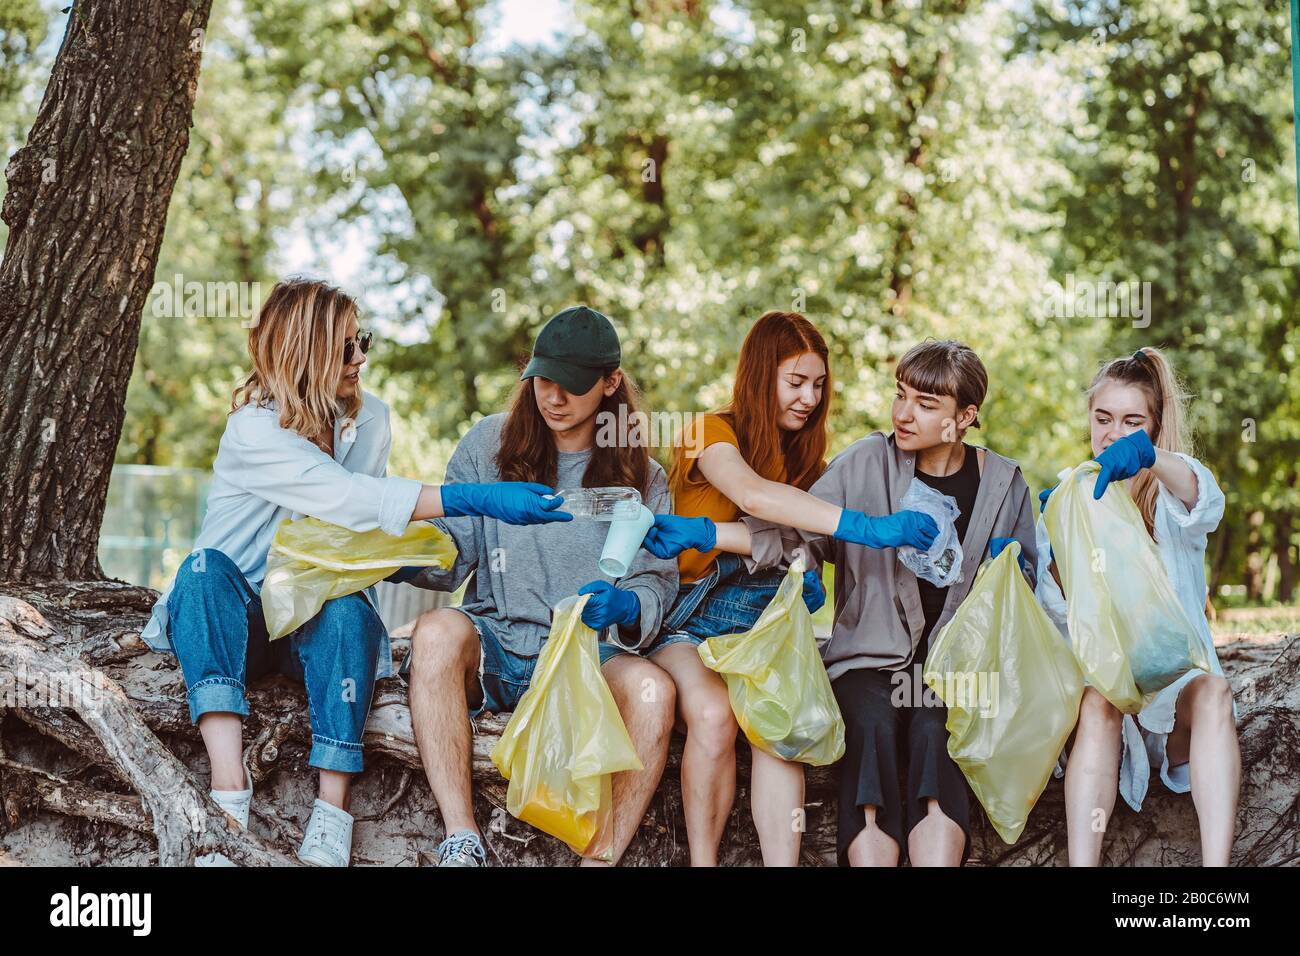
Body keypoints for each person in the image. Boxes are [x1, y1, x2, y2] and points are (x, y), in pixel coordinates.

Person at [140, 278, 568, 867]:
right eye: (346, 347)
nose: (361, 357)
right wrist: (478, 497)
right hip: (236, 621)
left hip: (312, 625)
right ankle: (228, 792)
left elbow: (361, 536)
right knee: (203, 569)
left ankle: (331, 812)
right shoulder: (254, 429)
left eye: (361, 340)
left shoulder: (372, 422)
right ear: (305, 353)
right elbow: (345, 497)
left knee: (348, 605)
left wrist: (427, 557)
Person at [646, 340, 1036, 866]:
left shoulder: (1005, 484)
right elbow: (794, 537)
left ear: (965, 416)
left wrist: (1013, 565)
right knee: (870, 729)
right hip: (866, 662)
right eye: (900, 395)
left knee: (933, 734)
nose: (903, 413)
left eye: (925, 404)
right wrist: (708, 533)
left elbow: (1028, 590)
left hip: (955, 670)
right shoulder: (865, 463)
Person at [404, 305, 679, 867]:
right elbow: (451, 558)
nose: (553, 398)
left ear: (610, 383)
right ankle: (461, 837)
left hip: (588, 658)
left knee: (656, 694)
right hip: (499, 639)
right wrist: (397, 556)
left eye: (572, 386)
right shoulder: (487, 444)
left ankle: (599, 859)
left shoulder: (642, 475)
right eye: (542, 381)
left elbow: (656, 584)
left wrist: (627, 606)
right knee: (433, 633)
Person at [1036, 347, 1238, 866]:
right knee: (1099, 701)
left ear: (1154, 427)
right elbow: (1062, 623)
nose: (1113, 433)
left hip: (1174, 712)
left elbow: (1206, 503)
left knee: (1214, 690)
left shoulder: (1173, 499)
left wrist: (1149, 458)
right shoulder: (1070, 499)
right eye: (1103, 418)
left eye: (1132, 421)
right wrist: (1046, 558)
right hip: (1109, 710)